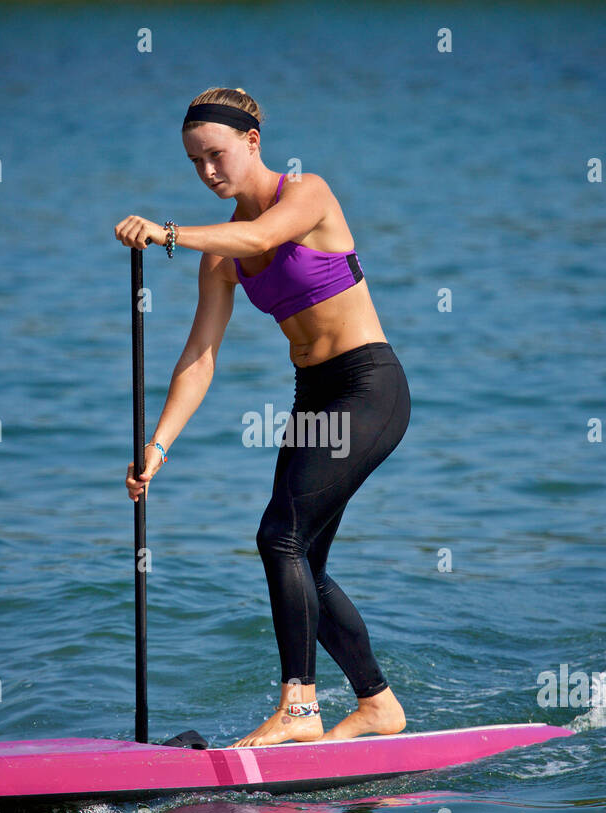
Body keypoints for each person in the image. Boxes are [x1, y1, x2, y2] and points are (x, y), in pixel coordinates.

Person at [114, 87, 410, 748]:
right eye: (195, 163)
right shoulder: (220, 256)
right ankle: (377, 705)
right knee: (302, 558)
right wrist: (156, 449)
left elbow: (262, 235)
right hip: (314, 396)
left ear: (252, 141)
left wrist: (165, 233)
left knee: (278, 537)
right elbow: (200, 356)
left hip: (368, 387)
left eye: (216, 155)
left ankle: (300, 709)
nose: (208, 172)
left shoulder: (308, 195)